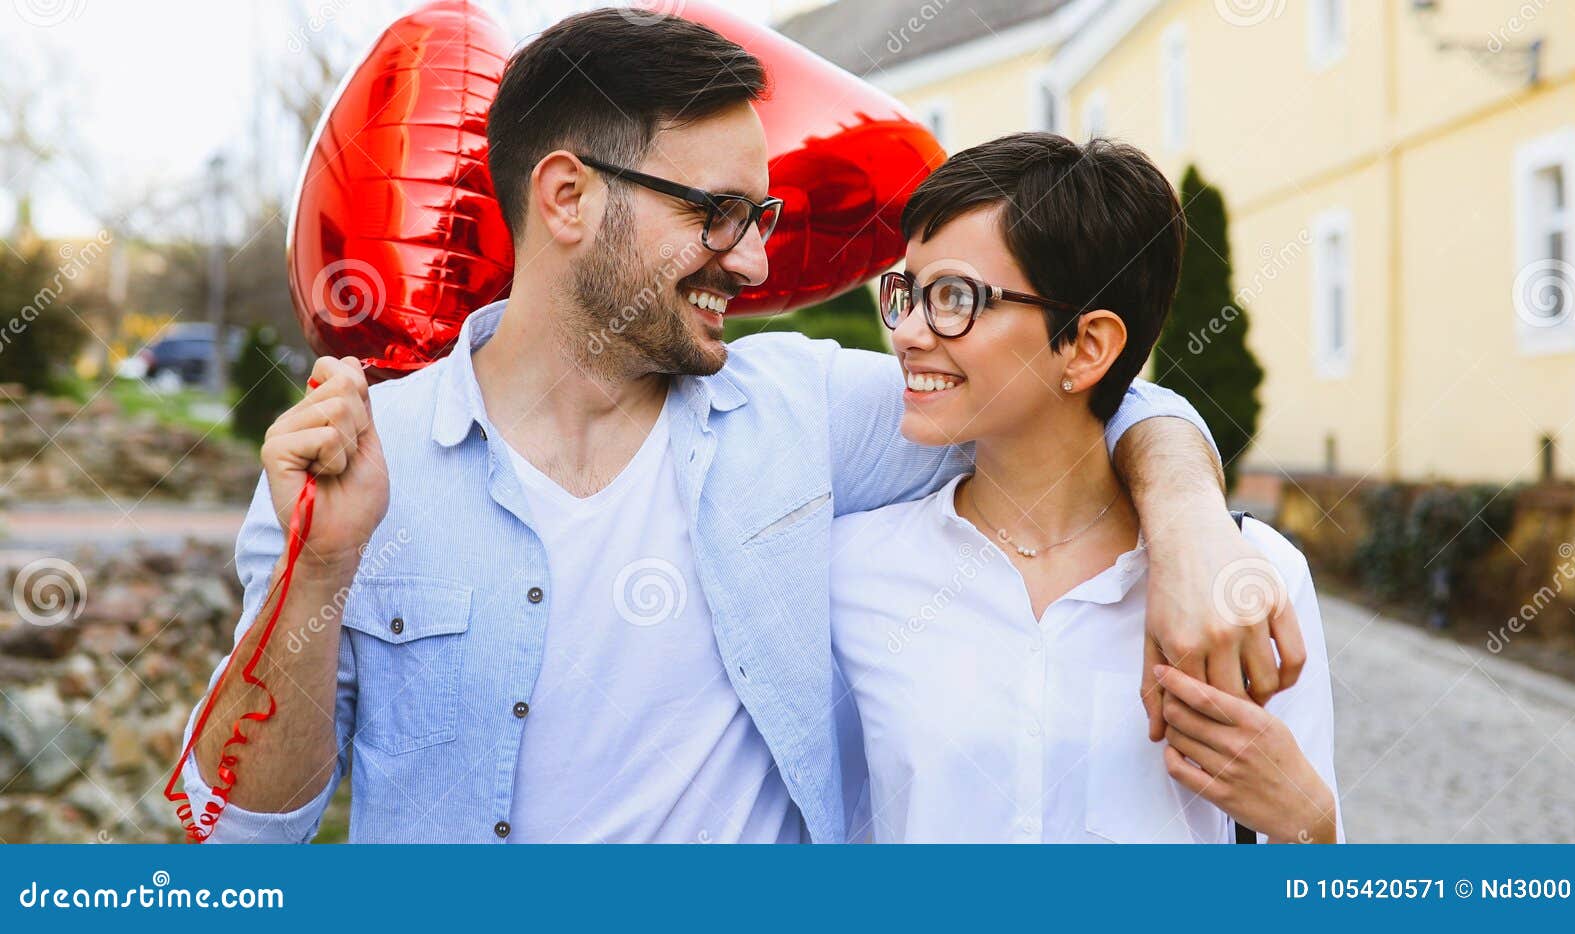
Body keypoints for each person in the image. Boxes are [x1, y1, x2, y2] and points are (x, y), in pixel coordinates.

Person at [180, 10, 1302, 844]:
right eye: (716, 214)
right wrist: (316, 574)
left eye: (758, 217)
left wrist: (1196, 526)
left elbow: (1077, 391)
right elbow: (229, 832)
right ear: (567, 198)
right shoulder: (357, 466)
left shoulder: (804, 413)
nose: (758, 262)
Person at [830, 133, 1341, 843]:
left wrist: (1310, 824)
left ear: (1087, 346)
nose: (909, 333)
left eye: (952, 298)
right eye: (908, 293)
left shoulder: (1254, 576)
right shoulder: (850, 571)